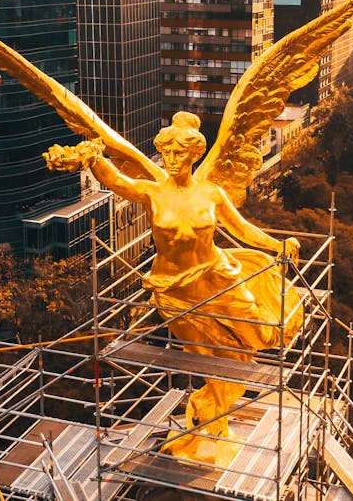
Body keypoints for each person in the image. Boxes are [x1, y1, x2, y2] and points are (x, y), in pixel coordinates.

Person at [48, 112, 302, 458]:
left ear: (193, 154)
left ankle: (213, 416)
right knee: (206, 359)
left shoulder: (211, 193)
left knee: (260, 333)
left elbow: (241, 229)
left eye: (178, 153)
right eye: (166, 153)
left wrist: (277, 245)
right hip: (173, 289)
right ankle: (210, 420)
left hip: (217, 275)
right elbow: (118, 181)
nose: (171, 160)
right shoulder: (153, 191)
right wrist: (93, 158)